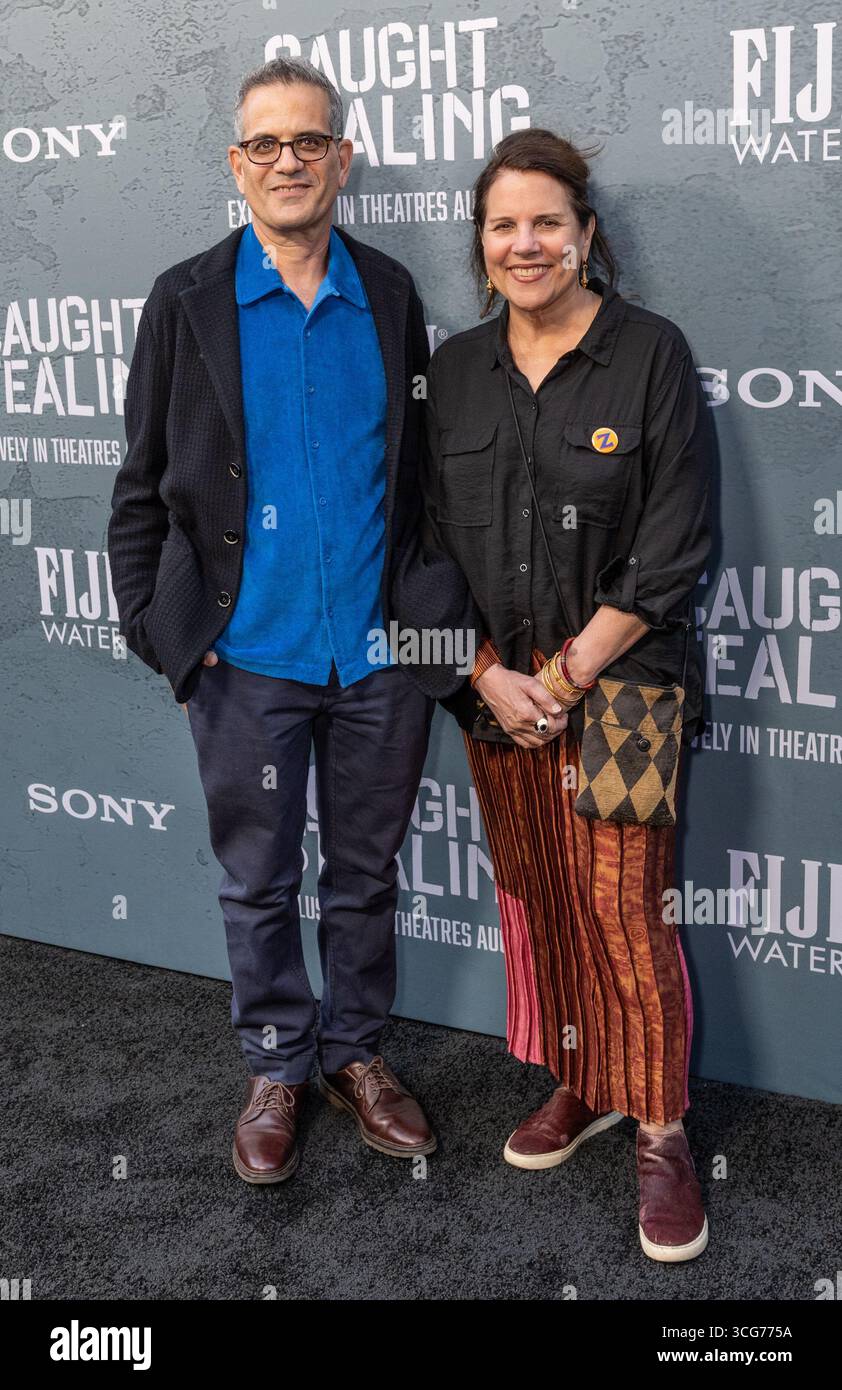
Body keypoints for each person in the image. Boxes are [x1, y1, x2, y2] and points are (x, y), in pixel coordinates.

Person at [106, 56, 478, 1185]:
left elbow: (416, 491)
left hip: (376, 661)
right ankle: (276, 1056)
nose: (286, 161)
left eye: (306, 142)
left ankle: (354, 1053)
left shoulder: (393, 295)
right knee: (257, 879)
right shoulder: (185, 299)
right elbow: (140, 485)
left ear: (340, 159)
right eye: (263, 144)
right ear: (236, 163)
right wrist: (162, 633)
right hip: (243, 659)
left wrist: (429, 642)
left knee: (365, 874)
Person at [421, 128, 714, 1261]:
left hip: (624, 689)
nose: (524, 242)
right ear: (481, 245)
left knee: (621, 912)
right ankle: (583, 1080)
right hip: (494, 695)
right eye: (502, 225)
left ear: (586, 235)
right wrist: (483, 675)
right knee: (542, 897)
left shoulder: (648, 352)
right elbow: (427, 540)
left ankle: (660, 1130)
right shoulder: (450, 373)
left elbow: (674, 542)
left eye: (547, 220)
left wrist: (565, 674)